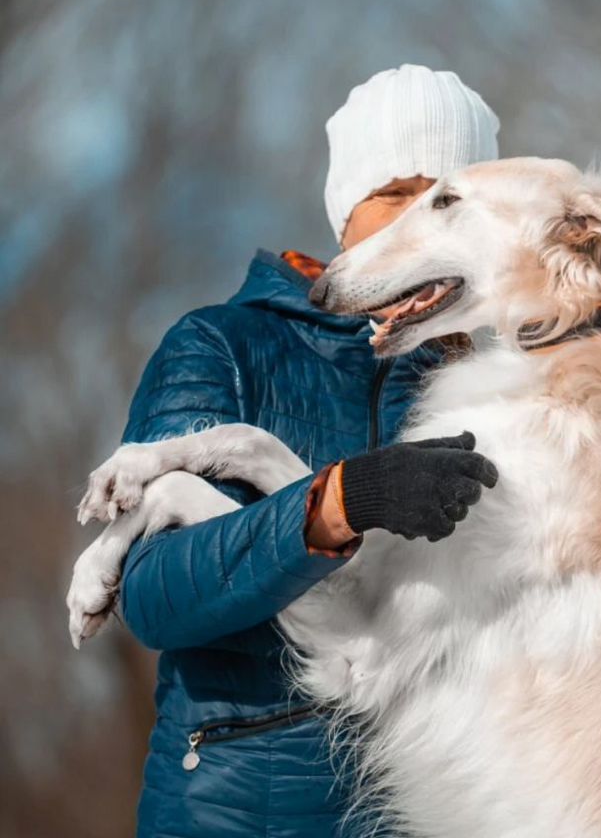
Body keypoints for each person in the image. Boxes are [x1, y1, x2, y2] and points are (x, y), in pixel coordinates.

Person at [116, 64, 501, 838]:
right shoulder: (223, 345)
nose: (420, 222)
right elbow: (154, 594)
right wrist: (331, 507)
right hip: (247, 810)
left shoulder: (493, 378)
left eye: (449, 200)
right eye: (397, 192)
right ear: (346, 209)